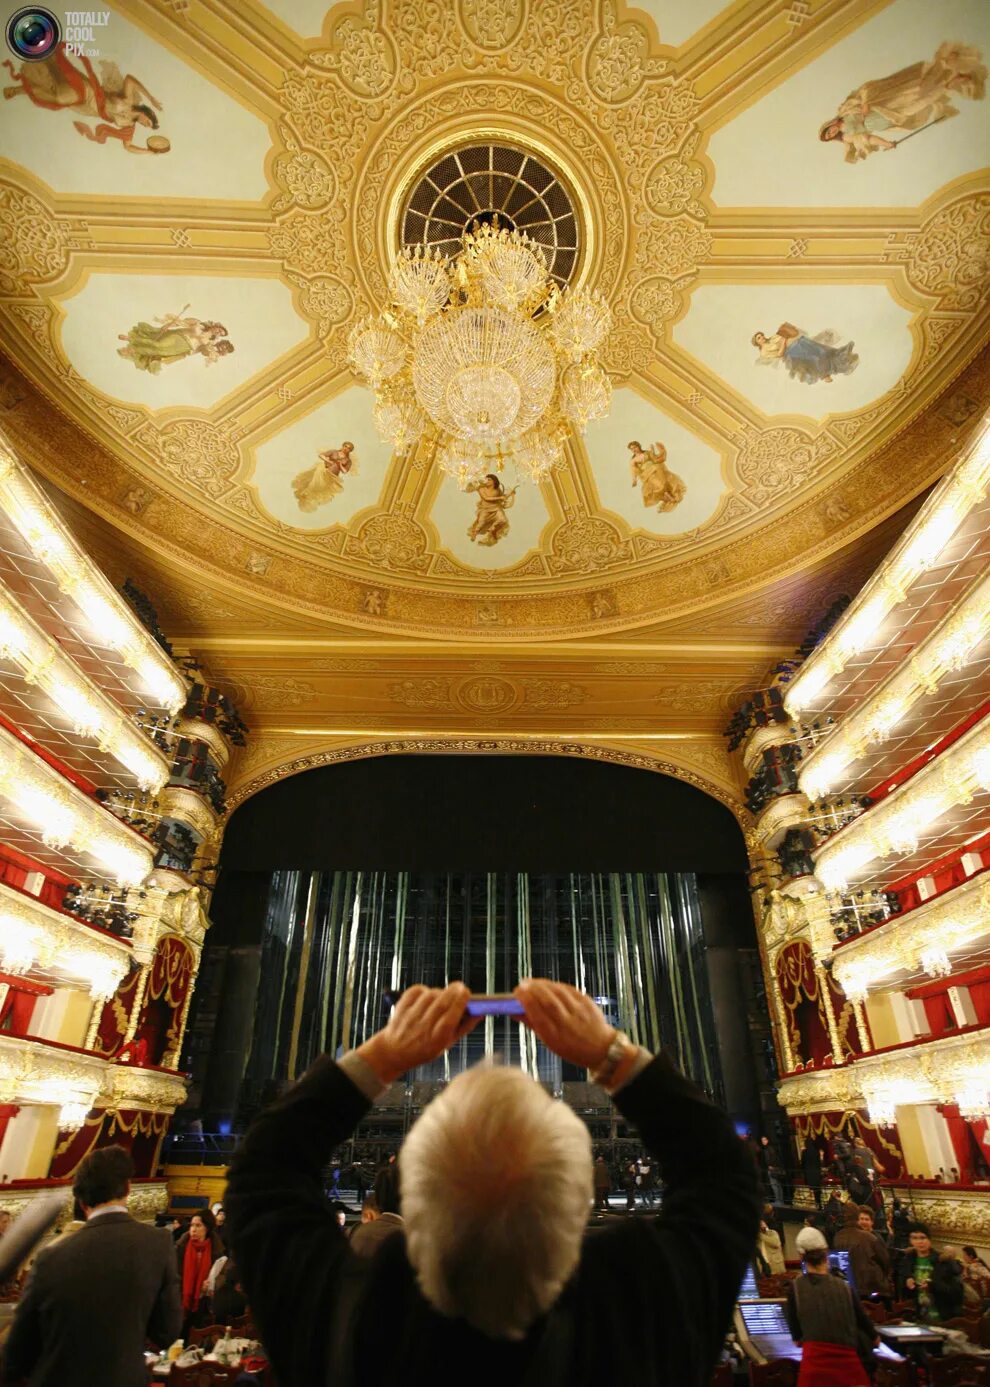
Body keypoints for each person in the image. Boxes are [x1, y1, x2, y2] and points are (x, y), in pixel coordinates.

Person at [225, 979, 761, 1387]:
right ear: (581, 1206)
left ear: (413, 1200)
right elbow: (724, 1172)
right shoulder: (646, 1321)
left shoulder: (339, 1319)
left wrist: (386, 1052)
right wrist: (609, 1052)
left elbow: (263, 1169)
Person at [1, 1144, 181, 1386]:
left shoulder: (50, 1257)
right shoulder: (158, 1244)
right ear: (128, 1187)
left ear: (82, 1199)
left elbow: (18, 1352)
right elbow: (167, 1331)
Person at [784, 1245, 878, 1386]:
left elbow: (795, 1330)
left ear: (804, 1262)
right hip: (847, 1362)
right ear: (826, 1261)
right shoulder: (845, 1287)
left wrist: (798, 1338)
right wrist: (874, 1337)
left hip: (814, 1363)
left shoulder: (796, 1287)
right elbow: (862, 1317)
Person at [896, 1223, 964, 1322]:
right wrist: (907, 1280)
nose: (919, 1242)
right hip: (918, 1313)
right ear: (910, 1241)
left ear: (929, 1239)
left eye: (923, 1238)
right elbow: (900, 1288)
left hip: (943, 1314)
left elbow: (956, 1292)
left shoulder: (943, 1261)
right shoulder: (907, 1260)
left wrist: (932, 1286)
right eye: (914, 1238)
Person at [175, 1208, 224, 1339]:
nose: (193, 1229)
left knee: (196, 1335)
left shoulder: (216, 1249)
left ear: (207, 1228)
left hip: (203, 1300)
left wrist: (213, 1283)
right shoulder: (181, 1246)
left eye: (198, 1225)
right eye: (192, 1225)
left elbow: (223, 1274)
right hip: (181, 1298)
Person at [833, 1205, 891, 1299]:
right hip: (871, 1288)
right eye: (861, 1219)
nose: (863, 1222)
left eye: (866, 1219)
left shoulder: (838, 1237)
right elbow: (885, 1262)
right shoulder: (871, 1238)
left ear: (872, 1222)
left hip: (863, 1287)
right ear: (857, 1220)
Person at [467, 474, 516, 547]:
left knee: (503, 520)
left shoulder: (497, 490)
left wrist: (511, 494)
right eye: (486, 479)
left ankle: (492, 528)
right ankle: (474, 534)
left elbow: (503, 497)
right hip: (485, 509)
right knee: (481, 523)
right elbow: (486, 498)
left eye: (489, 479)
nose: (487, 481)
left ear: (494, 481)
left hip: (496, 508)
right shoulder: (481, 489)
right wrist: (500, 498)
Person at [801, 1138, 823, 1207]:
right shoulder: (816, 1151)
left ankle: (815, 1203)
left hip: (809, 1172)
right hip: (816, 1172)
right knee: (817, 1189)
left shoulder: (804, 1152)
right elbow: (819, 1163)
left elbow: (803, 1163)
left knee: (812, 1188)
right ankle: (819, 1203)